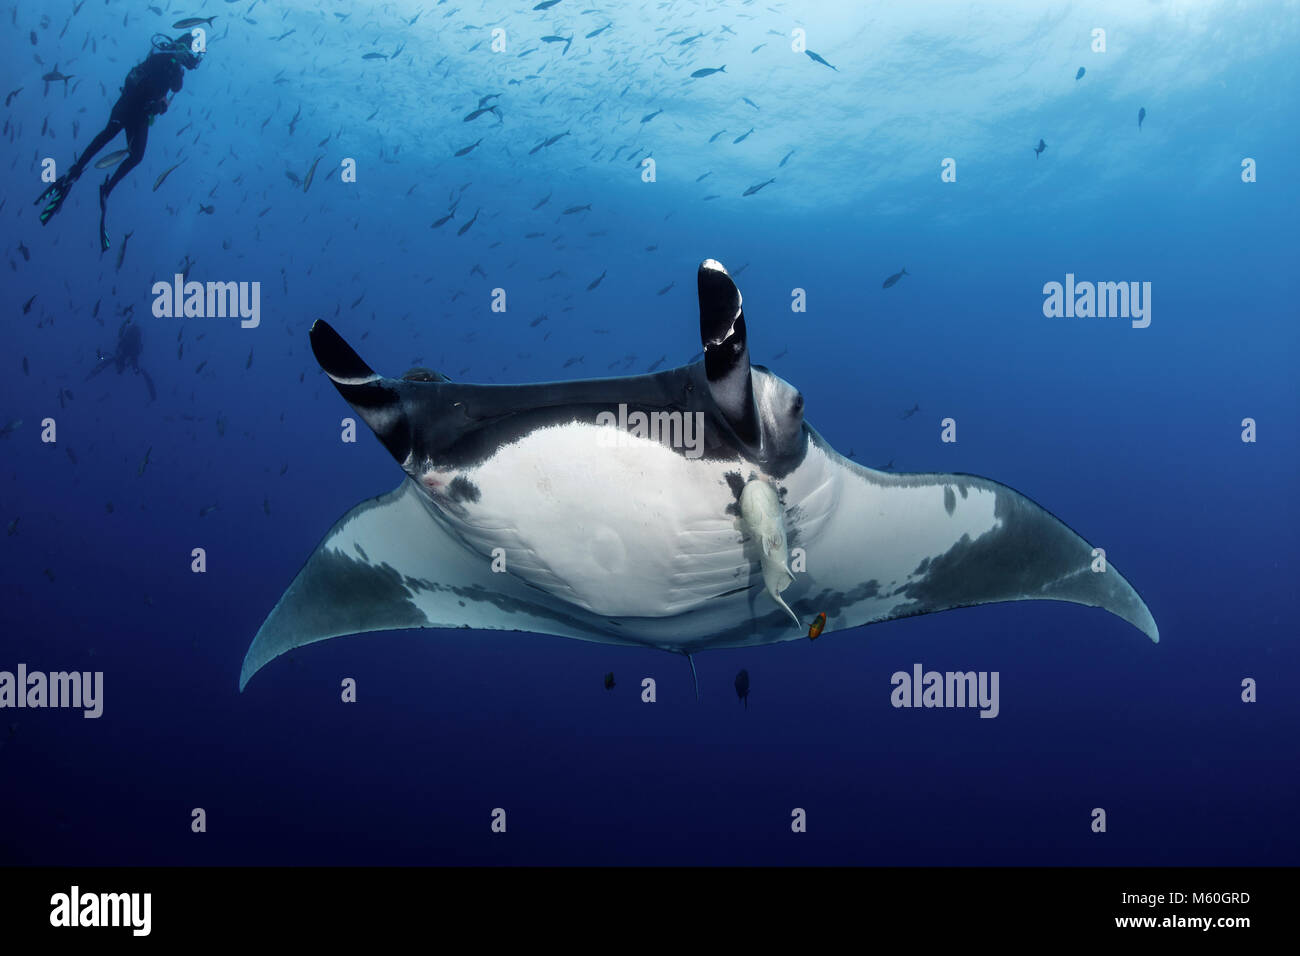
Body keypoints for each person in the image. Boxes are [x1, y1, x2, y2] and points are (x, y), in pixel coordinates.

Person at [34, 33, 202, 250]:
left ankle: (107, 188)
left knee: (137, 157)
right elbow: (133, 78)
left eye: (189, 52)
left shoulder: (176, 73)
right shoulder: (160, 57)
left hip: (141, 116)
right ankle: (75, 170)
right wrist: (150, 98)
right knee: (107, 135)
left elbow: (170, 95)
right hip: (128, 105)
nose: (187, 55)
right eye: (185, 50)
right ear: (178, 47)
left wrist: (159, 106)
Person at [86, 319, 156, 402]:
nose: (118, 370)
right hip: (129, 350)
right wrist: (136, 369)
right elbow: (132, 361)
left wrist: (135, 369)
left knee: (124, 358)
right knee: (127, 360)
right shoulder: (127, 354)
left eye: (119, 369)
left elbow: (128, 358)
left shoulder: (126, 354)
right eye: (119, 369)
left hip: (129, 349)